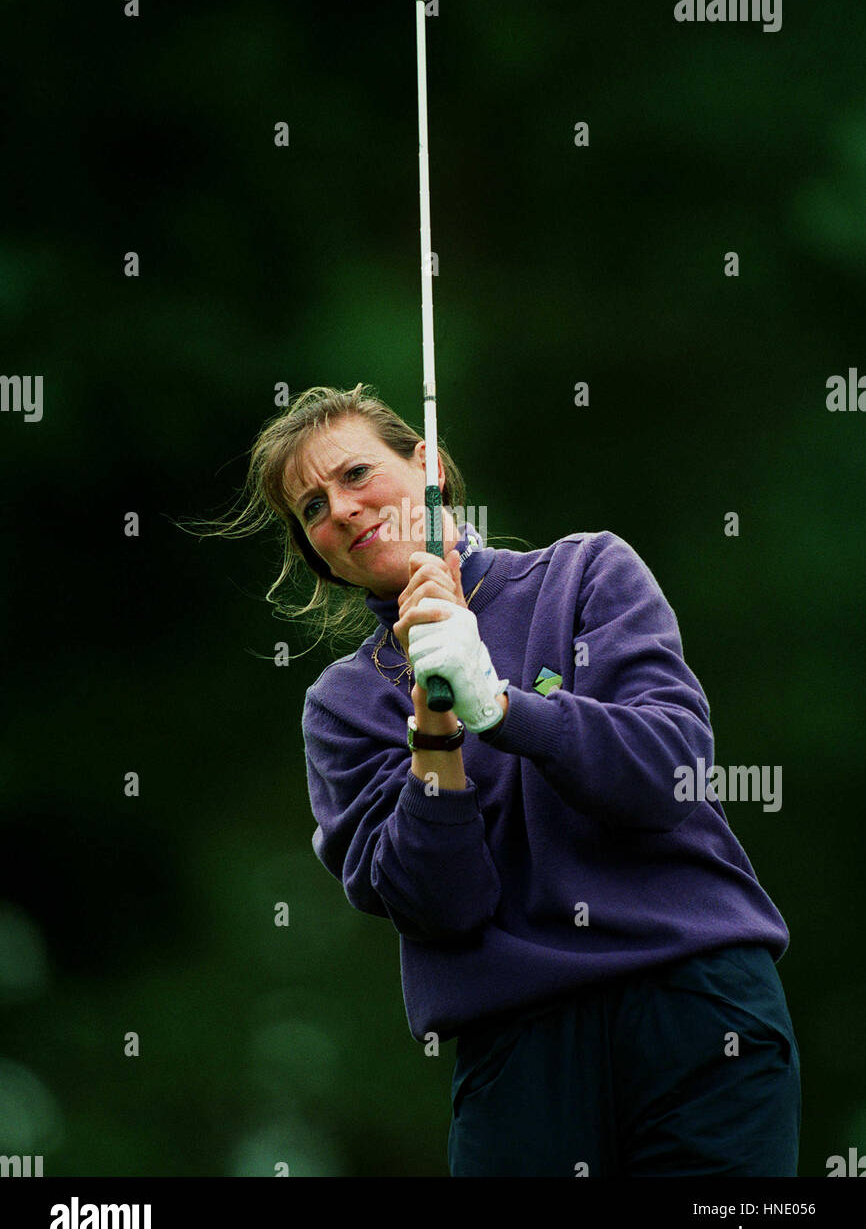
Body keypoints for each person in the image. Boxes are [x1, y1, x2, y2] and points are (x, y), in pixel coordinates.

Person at [214, 382, 802, 1177]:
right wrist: (437, 729)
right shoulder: (345, 705)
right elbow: (442, 907)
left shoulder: (587, 572)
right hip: (516, 1049)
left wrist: (499, 704)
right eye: (312, 509)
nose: (342, 510)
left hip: (697, 1006)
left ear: (428, 467)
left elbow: (670, 773)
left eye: (354, 475)